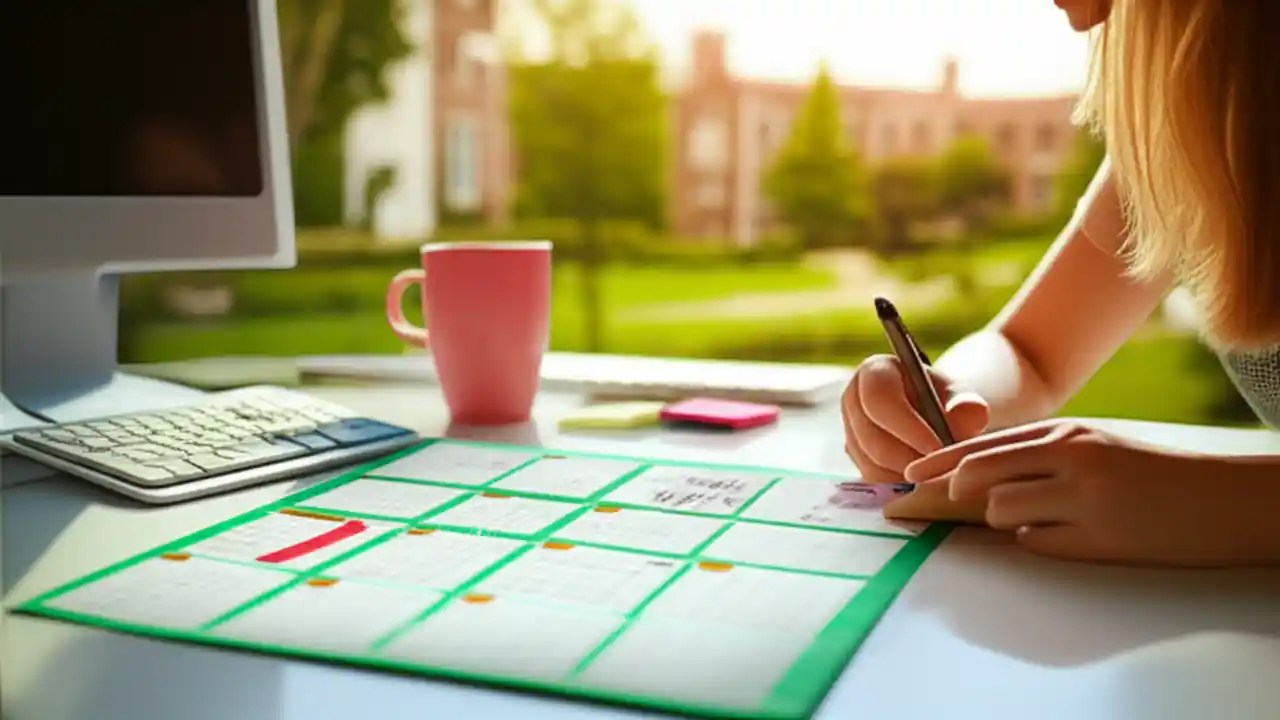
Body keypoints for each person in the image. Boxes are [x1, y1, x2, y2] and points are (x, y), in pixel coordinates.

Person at [842, 0, 1280, 567]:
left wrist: (1218, 502)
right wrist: (952, 399)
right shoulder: (1190, 128)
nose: (1065, 9)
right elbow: (1030, 353)